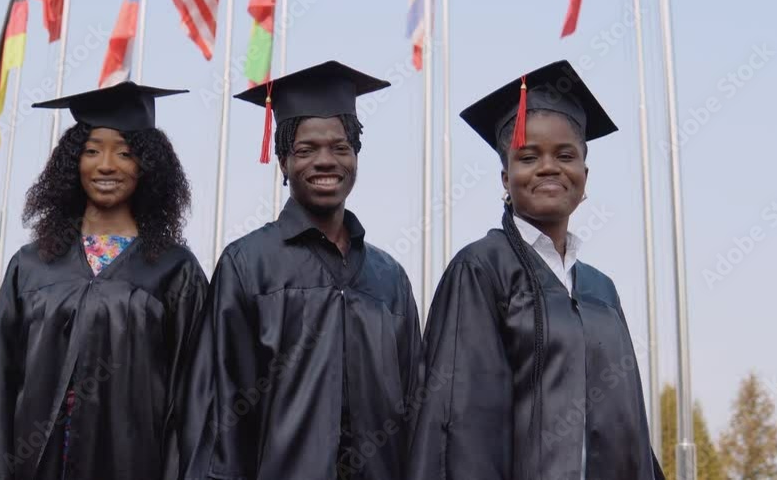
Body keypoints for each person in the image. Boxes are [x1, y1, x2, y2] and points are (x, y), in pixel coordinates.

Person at [407, 61, 664, 480]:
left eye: (566, 155)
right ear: (506, 177)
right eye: (529, 157)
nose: (549, 167)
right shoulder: (481, 269)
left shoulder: (602, 289)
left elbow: (628, 421)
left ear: (584, 175)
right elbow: (462, 425)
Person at [0, 82, 210, 480]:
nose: (106, 164)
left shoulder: (175, 271)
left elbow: (194, 398)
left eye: (125, 152)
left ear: (148, 166)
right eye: (91, 150)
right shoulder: (33, 266)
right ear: (72, 163)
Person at [187, 61, 422, 480]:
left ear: (356, 156)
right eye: (305, 149)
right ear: (282, 162)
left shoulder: (390, 280)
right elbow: (222, 413)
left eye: (340, 148)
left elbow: (415, 410)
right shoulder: (248, 265)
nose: (325, 161)